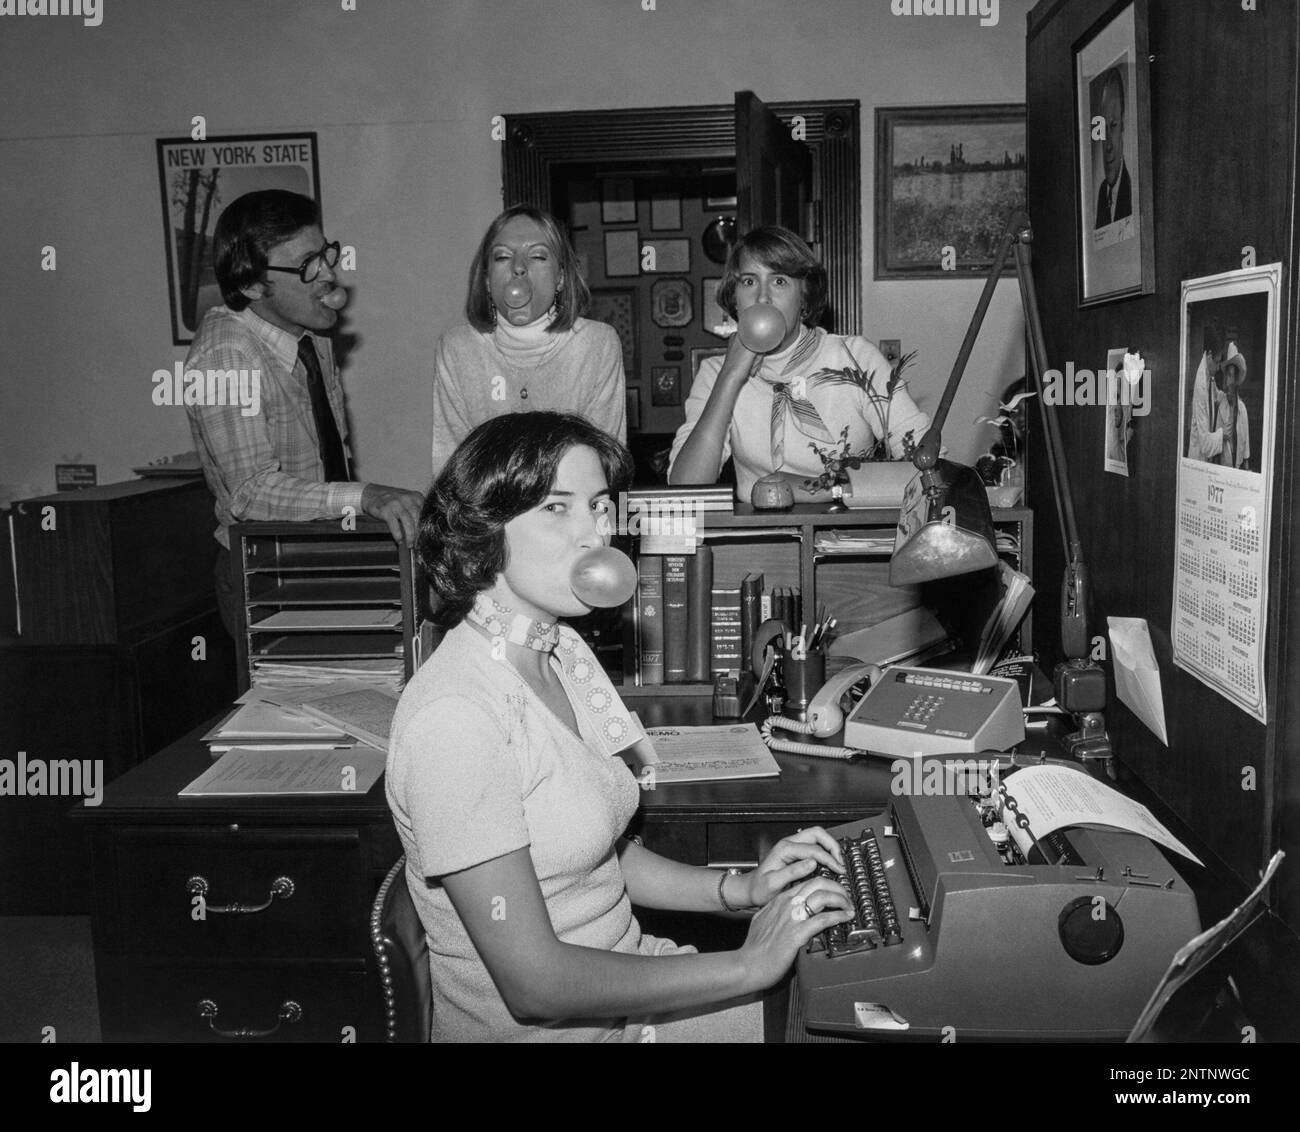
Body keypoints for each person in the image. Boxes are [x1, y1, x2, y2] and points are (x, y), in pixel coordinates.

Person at [387, 412, 853, 1042]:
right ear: (482, 533)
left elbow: (590, 853)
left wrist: (741, 888)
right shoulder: (456, 718)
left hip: (631, 989)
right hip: (563, 1030)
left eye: (601, 507)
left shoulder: (564, 654)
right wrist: (748, 964)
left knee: (850, 996)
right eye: (557, 508)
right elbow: (536, 987)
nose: (594, 535)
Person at [185, 190, 423, 636]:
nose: (330, 274)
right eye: (307, 264)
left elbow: (330, 456)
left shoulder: (313, 336)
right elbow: (251, 493)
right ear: (253, 284)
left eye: (326, 253)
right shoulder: (225, 354)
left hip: (321, 555)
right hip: (265, 573)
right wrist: (365, 496)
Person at [667, 225, 929, 501]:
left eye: (779, 281)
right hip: (758, 539)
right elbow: (686, 489)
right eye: (748, 281)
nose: (763, 297)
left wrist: (814, 489)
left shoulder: (854, 357)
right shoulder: (714, 373)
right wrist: (730, 377)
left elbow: (926, 467)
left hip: (846, 534)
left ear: (804, 295)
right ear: (734, 298)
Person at [430, 206, 626, 475]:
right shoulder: (456, 349)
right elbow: (452, 469)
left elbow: (603, 467)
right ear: (487, 279)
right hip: (486, 513)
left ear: (560, 277)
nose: (518, 268)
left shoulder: (597, 344)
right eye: (502, 256)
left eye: (537, 256)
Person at [1188, 318, 1234, 462]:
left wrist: (1227, 396)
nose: (1219, 366)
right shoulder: (1201, 387)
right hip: (1199, 458)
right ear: (1209, 355)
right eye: (1218, 361)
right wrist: (1224, 434)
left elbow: (1215, 395)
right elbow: (1206, 445)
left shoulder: (1210, 375)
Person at [1094, 67, 1132, 228]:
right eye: (1103, 130)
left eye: (1113, 126)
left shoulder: (1131, 192)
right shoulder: (1103, 193)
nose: (1108, 144)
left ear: (1123, 125)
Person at [1212, 348, 1251, 470]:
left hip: (1237, 468)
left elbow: (1246, 446)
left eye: (1230, 376)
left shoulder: (1242, 409)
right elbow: (1216, 444)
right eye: (1226, 376)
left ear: (1236, 380)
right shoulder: (1221, 406)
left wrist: (1246, 470)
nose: (1227, 382)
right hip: (1223, 468)